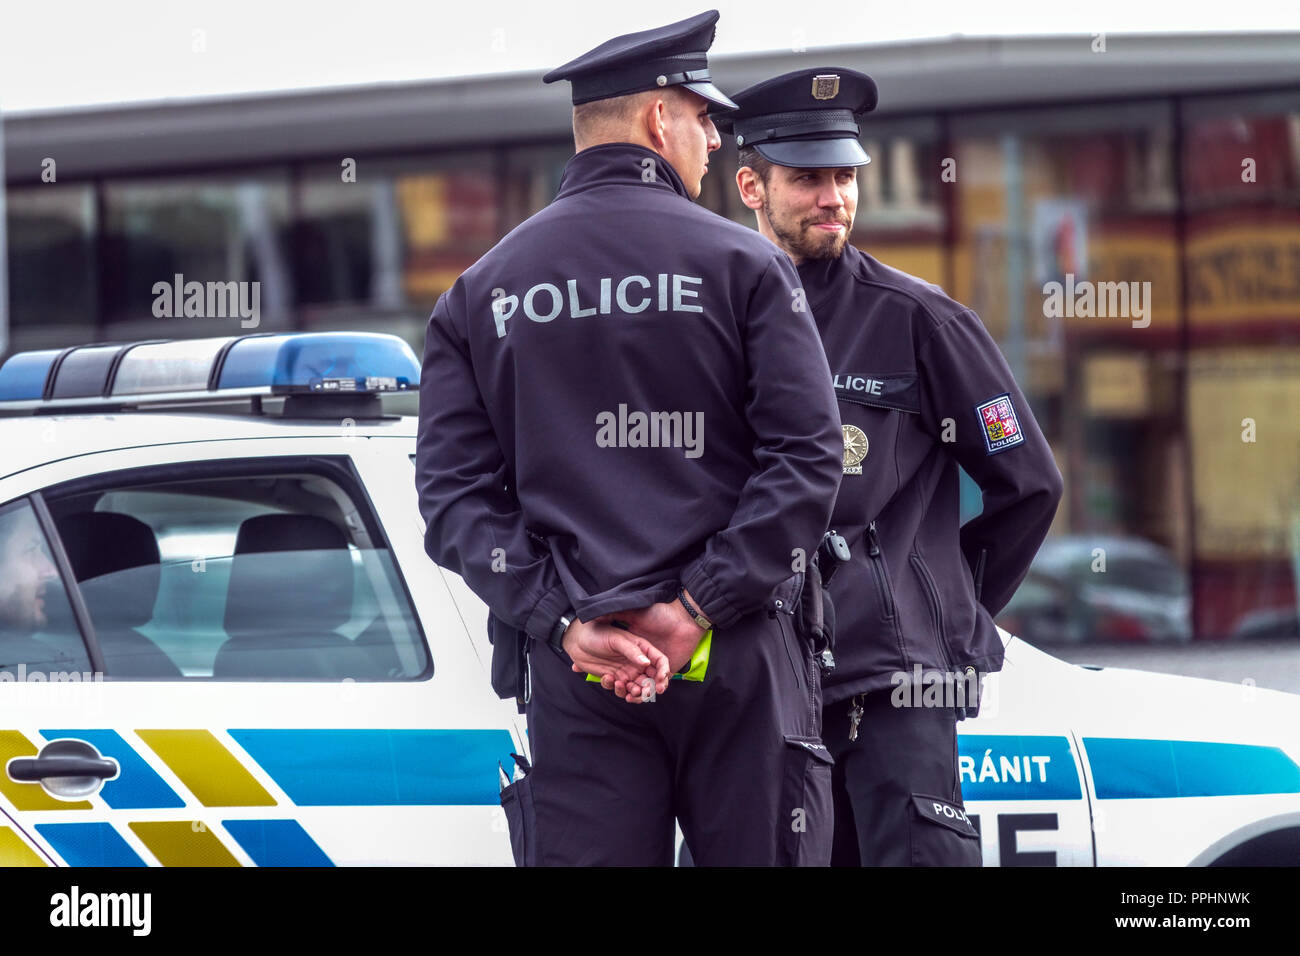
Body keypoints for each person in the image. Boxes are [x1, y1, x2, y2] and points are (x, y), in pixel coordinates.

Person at [415, 14, 844, 866]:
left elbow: (454, 499)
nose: (717, 141)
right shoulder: (746, 266)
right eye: (706, 119)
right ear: (659, 121)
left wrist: (562, 619)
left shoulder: (480, 290)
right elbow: (807, 458)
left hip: (580, 671)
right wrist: (698, 609)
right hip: (741, 661)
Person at [718, 68, 1064, 866]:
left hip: (895, 687)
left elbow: (1030, 484)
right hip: (759, 685)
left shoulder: (919, 318)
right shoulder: (713, 323)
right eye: (807, 179)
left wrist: (944, 603)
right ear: (751, 185)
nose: (833, 196)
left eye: (844, 175)